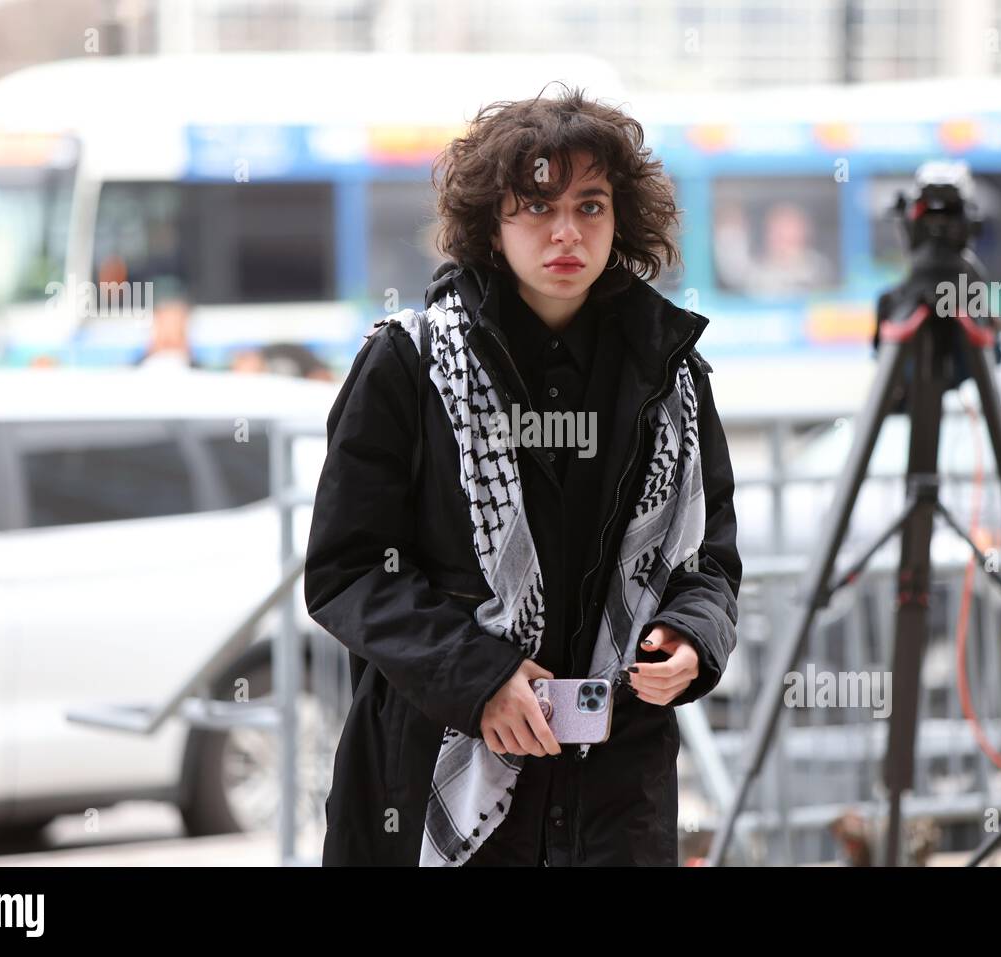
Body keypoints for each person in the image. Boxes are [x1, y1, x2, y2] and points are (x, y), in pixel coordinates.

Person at [304, 82, 741, 867]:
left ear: (621, 219)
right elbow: (347, 571)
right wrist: (482, 677)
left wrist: (691, 637)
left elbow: (708, 561)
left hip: (616, 792)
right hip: (435, 771)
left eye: (591, 205)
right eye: (536, 206)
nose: (566, 231)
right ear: (491, 225)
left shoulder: (671, 372)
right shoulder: (407, 364)